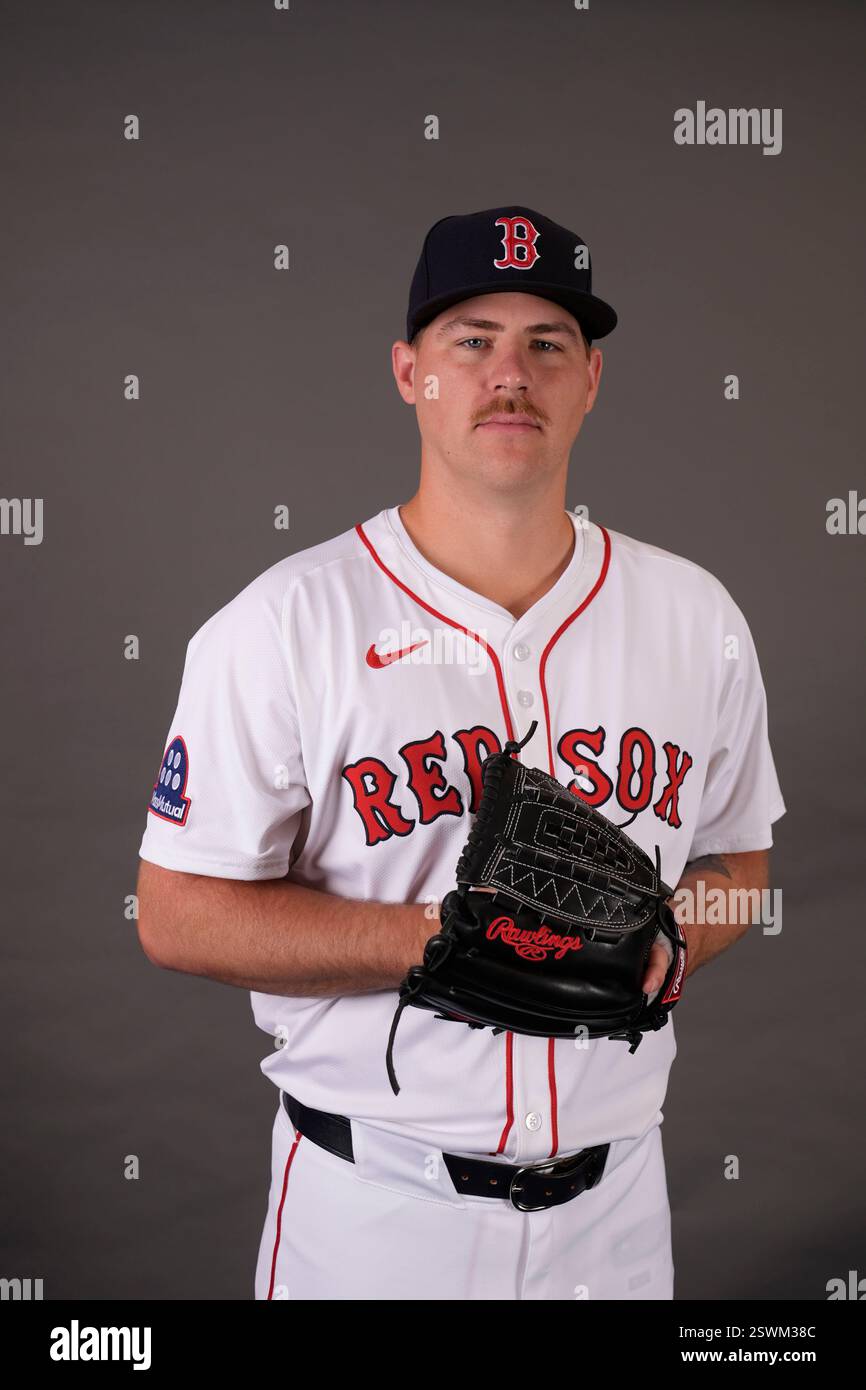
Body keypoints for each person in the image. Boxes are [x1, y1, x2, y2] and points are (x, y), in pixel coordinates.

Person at [136, 205, 786, 1300]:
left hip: (614, 1220)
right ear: (408, 372)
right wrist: (436, 939)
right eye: (471, 340)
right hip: (376, 1219)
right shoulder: (285, 620)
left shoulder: (694, 614)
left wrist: (672, 939)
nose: (509, 375)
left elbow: (741, 875)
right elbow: (176, 912)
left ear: (590, 379)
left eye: (547, 344)